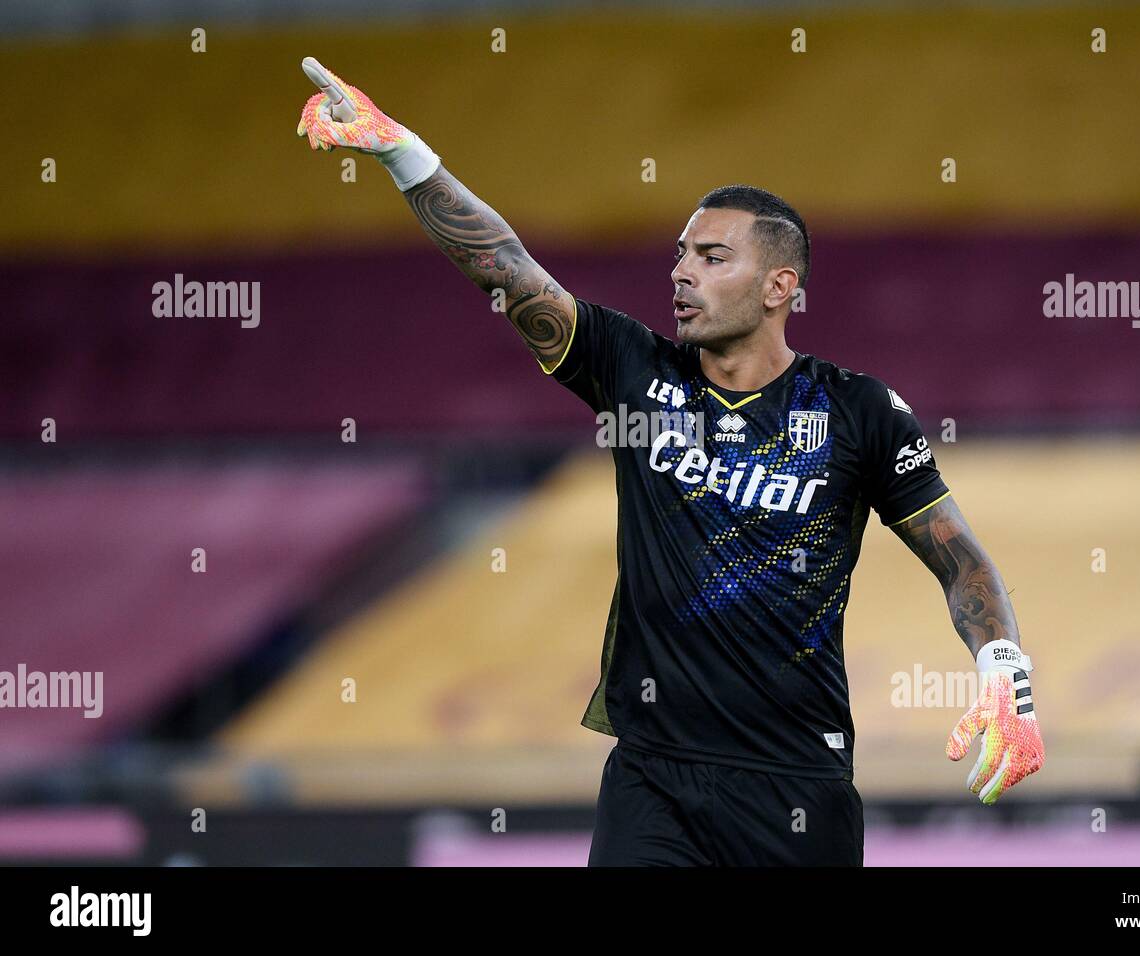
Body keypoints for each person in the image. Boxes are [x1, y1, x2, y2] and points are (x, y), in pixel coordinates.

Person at [296, 59, 1045, 866]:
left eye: (713, 257)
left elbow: (957, 552)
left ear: (778, 286)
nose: (682, 273)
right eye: (680, 254)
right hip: (652, 780)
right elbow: (506, 269)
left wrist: (1003, 666)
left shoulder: (857, 411)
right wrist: (404, 152)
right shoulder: (632, 369)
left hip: (797, 783)